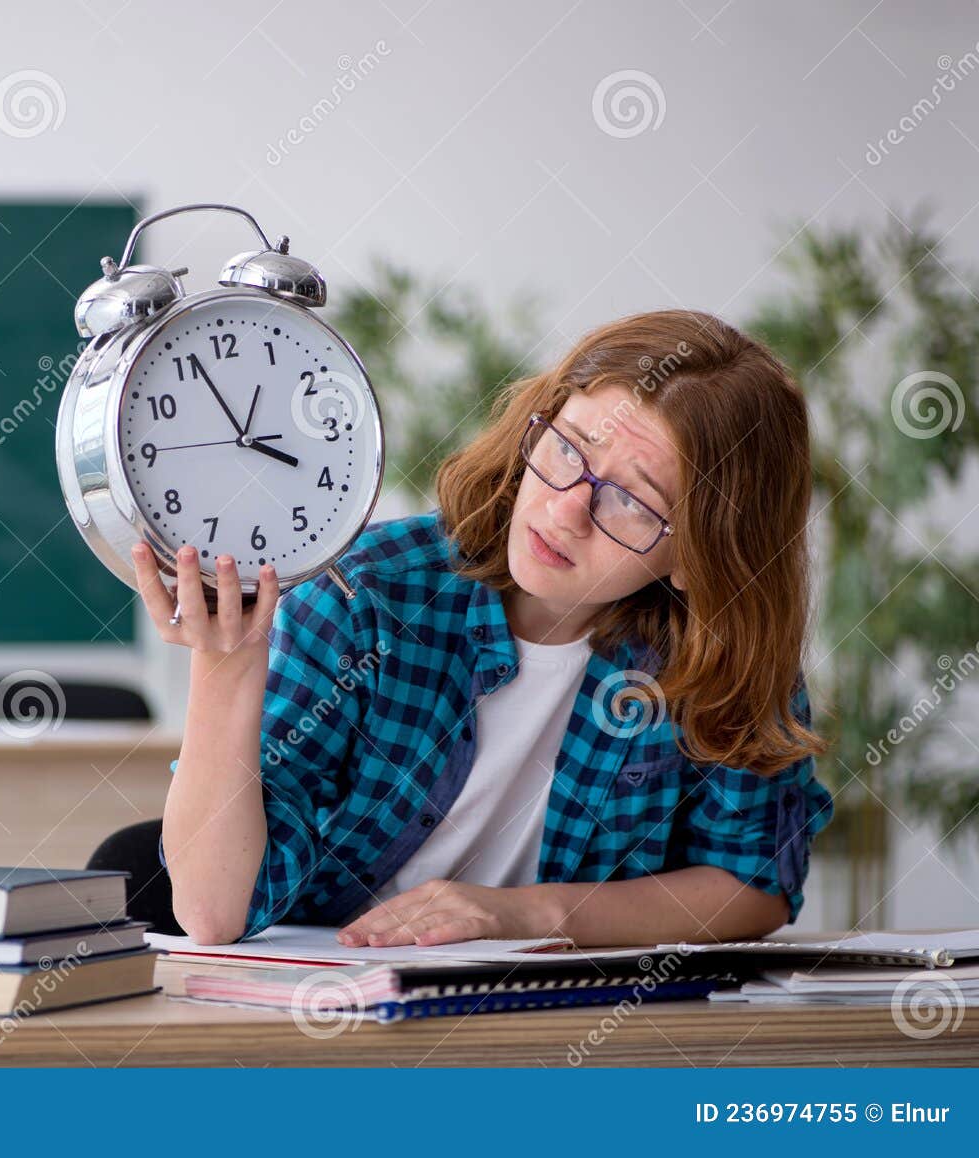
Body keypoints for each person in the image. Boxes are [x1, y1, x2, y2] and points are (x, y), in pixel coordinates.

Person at [122, 309, 833, 947]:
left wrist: (529, 913)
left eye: (630, 502)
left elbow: (755, 884)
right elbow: (215, 913)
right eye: (568, 449)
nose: (565, 512)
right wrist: (224, 667)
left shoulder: (719, 654)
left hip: (552, 1028)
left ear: (700, 555)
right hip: (333, 1005)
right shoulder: (367, 593)